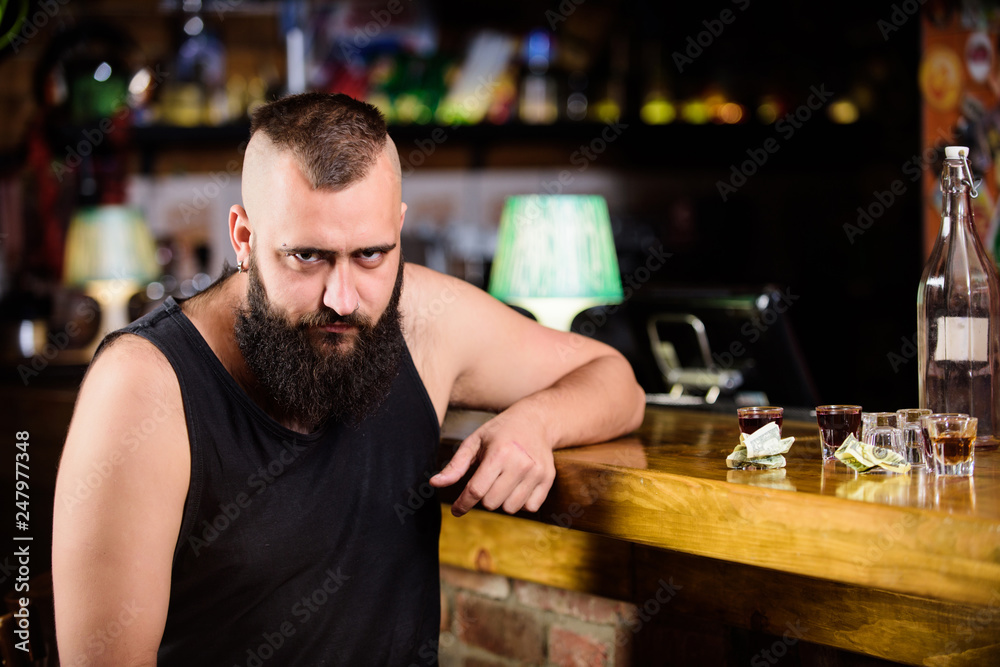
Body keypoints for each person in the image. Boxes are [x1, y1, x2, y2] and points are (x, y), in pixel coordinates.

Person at [52, 92, 645, 666]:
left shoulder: (425, 320)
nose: (342, 299)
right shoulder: (142, 388)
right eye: (307, 257)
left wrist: (535, 423)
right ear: (244, 238)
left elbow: (614, 378)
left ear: (399, 230)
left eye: (370, 255)